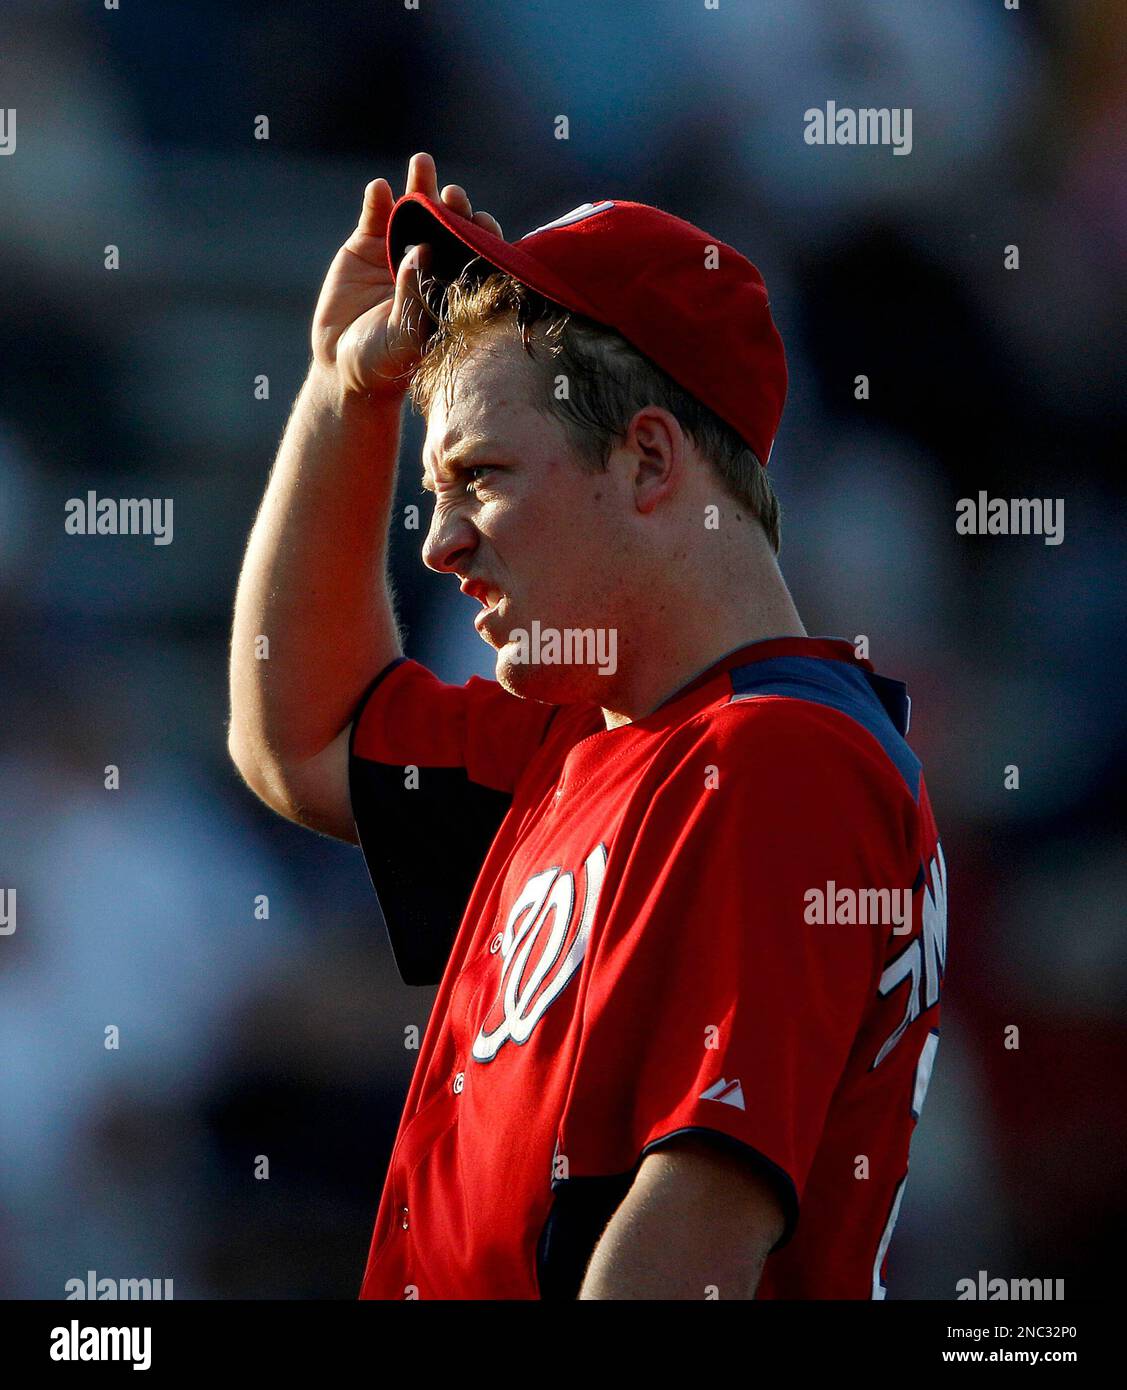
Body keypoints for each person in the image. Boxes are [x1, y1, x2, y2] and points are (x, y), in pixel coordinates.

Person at [227, 152, 946, 1300]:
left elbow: (685, 1243)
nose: (439, 544)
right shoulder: (594, 746)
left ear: (649, 460)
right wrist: (339, 393)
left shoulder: (771, 759)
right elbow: (300, 739)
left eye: (481, 476)